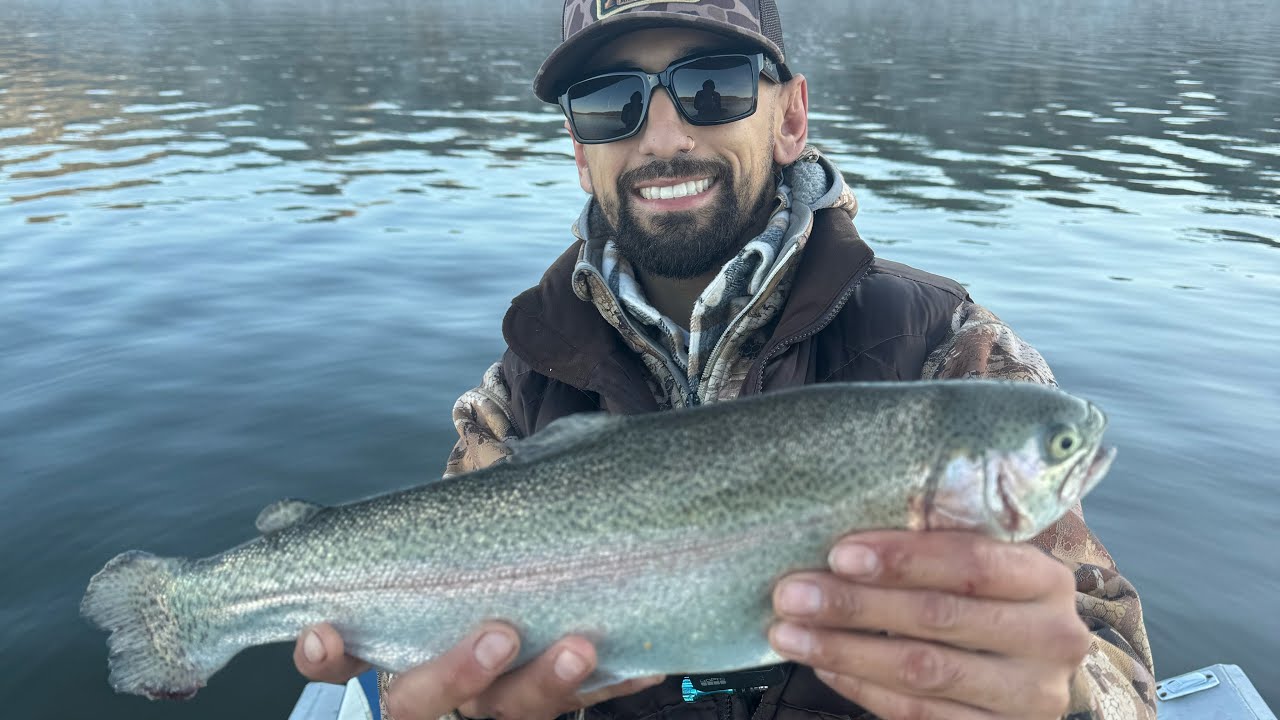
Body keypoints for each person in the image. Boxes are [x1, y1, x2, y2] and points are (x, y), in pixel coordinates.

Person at [294, 2, 1157, 718]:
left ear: (790, 117)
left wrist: (1068, 697)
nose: (664, 134)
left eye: (713, 86)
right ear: (579, 152)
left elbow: (1119, 667)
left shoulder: (950, 354)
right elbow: (432, 656)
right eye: (610, 101)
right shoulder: (514, 399)